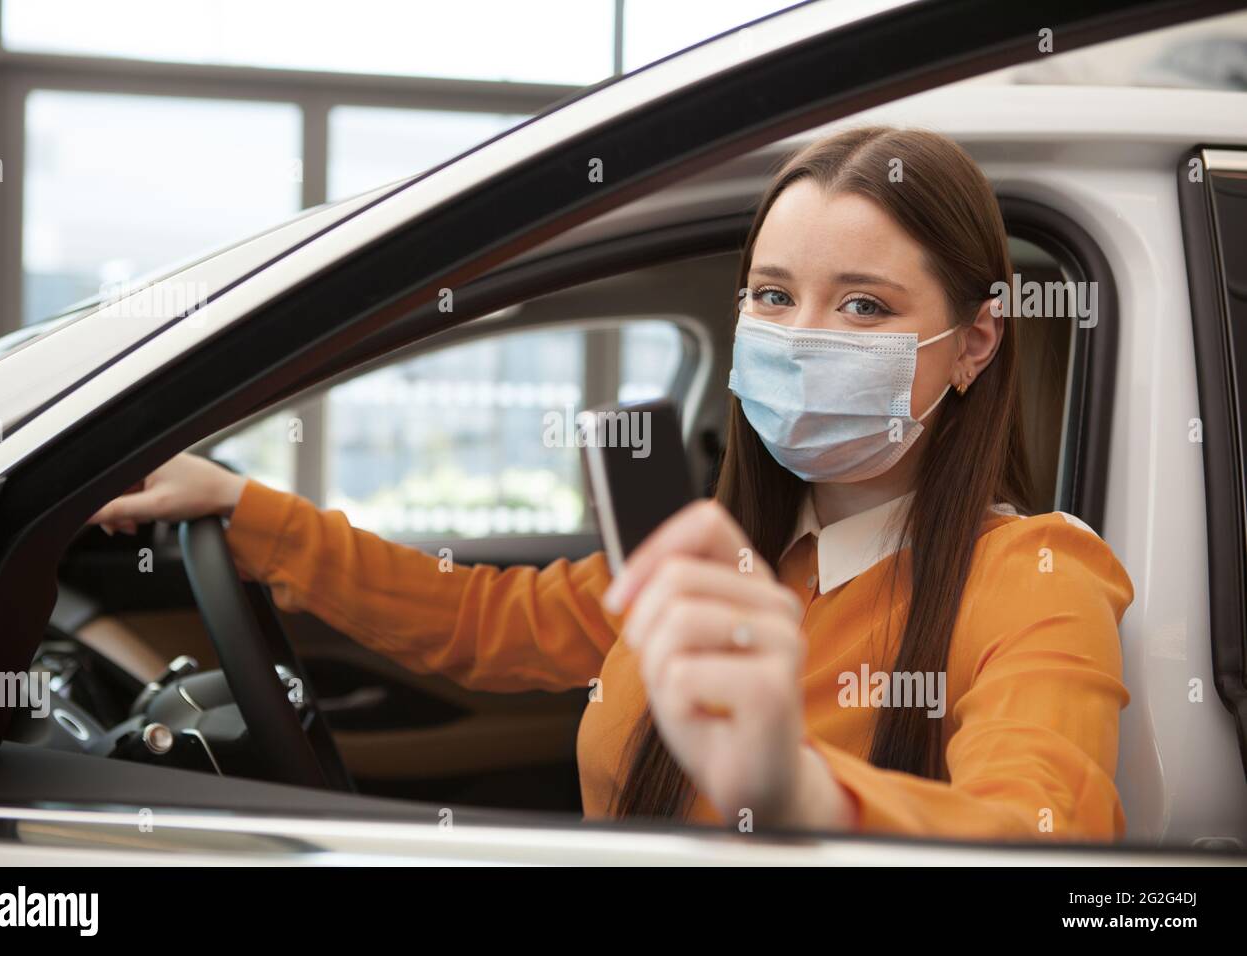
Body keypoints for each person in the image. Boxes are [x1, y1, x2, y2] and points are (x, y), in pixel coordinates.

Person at [89, 126, 1132, 840]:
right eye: (772, 295)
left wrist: (796, 788)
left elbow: (1040, 825)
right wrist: (243, 509)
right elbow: (479, 617)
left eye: (863, 307)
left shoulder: (1036, 574)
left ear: (974, 343)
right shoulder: (716, 552)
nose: (803, 337)